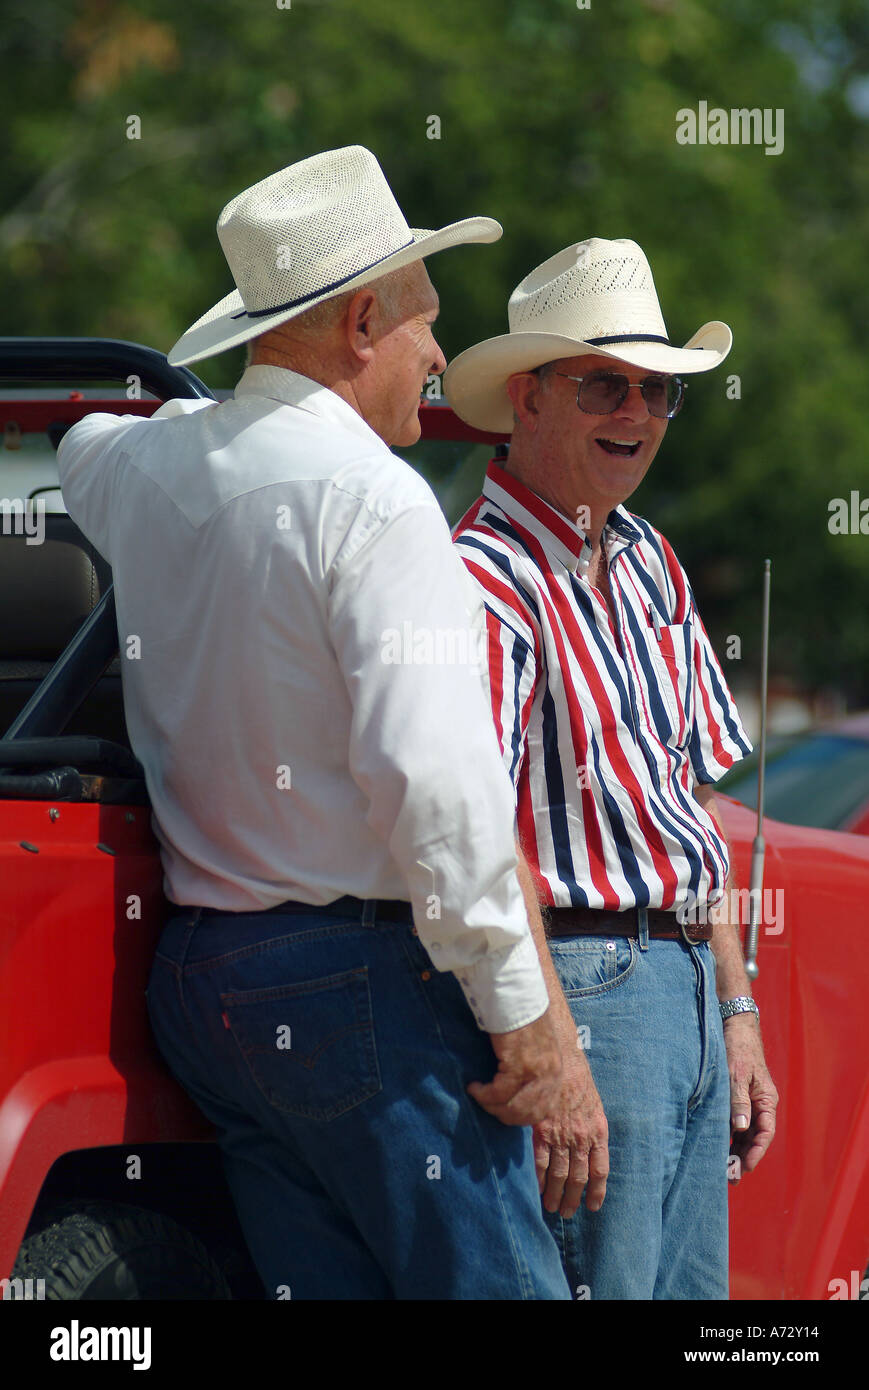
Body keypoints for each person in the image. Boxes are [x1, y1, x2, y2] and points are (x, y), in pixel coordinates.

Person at [56, 146, 575, 1300]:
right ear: (359, 324)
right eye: (424, 319)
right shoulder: (379, 502)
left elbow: (84, 445)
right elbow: (435, 783)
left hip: (207, 975)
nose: (439, 354)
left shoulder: (143, 467)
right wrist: (523, 1016)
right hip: (357, 987)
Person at [448, 238, 779, 1300]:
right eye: (603, 383)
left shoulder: (647, 556)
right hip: (586, 984)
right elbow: (475, 840)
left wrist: (734, 1014)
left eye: (653, 391)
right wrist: (552, 1049)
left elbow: (688, 799)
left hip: (676, 986)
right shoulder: (482, 578)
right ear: (527, 398)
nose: (633, 412)